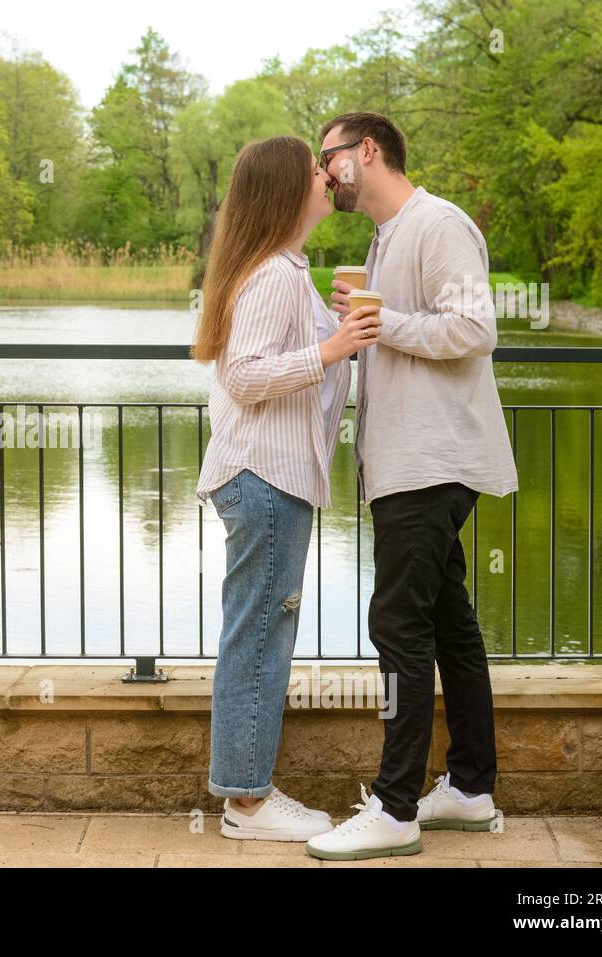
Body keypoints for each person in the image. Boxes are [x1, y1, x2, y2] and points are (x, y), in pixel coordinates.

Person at [305, 112, 518, 861]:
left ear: (367, 152)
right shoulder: (385, 237)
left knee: (396, 623)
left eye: (327, 156)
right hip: (402, 463)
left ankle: (395, 807)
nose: (322, 170)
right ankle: (470, 789)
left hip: (434, 459)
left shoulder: (438, 225)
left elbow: (474, 330)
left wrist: (381, 320)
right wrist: (372, 323)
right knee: (448, 621)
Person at [192, 135, 382, 841]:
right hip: (264, 478)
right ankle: (247, 801)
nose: (325, 175)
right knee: (260, 636)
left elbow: (300, 379)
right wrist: (331, 347)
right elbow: (245, 376)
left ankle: (246, 793)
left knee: (261, 630)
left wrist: (339, 332)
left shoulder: (281, 271)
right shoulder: (273, 273)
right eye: (312, 169)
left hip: (269, 479)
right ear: (285, 188)